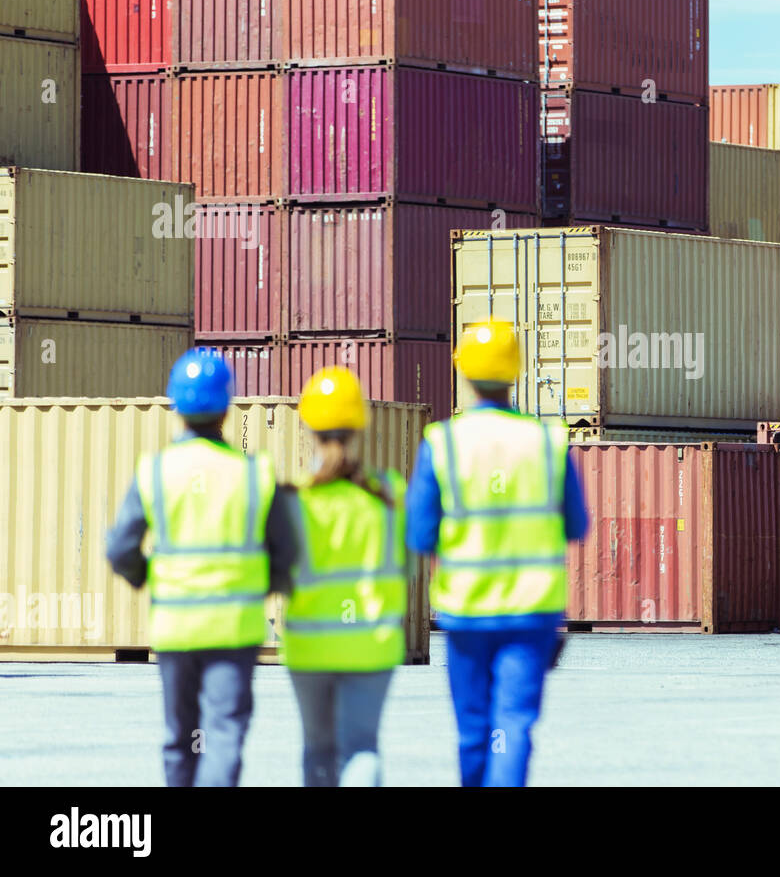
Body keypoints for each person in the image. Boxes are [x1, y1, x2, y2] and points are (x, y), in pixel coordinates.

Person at [406, 318, 590, 787]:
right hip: (531, 615)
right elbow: (577, 524)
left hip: (467, 614)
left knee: (473, 731)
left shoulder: (442, 443)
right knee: (513, 725)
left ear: (462, 372)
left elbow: (420, 535)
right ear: (517, 371)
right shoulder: (548, 441)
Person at [106, 349, 299, 787]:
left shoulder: (156, 472)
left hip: (175, 626)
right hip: (234, 629)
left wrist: (147, 575)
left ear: (175, 407)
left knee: (181, 737)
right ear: (228, 408)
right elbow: (286, 554)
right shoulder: (253, 475)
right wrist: (258, 585)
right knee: (223, 734)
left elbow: (120, 549)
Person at [283, 367, 408, 787]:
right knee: (362, 748)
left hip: (310, 647)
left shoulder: (295, 499)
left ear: (307, 427)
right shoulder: (390, 494)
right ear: (360, 427)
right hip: (372, 645)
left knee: (317, 751)